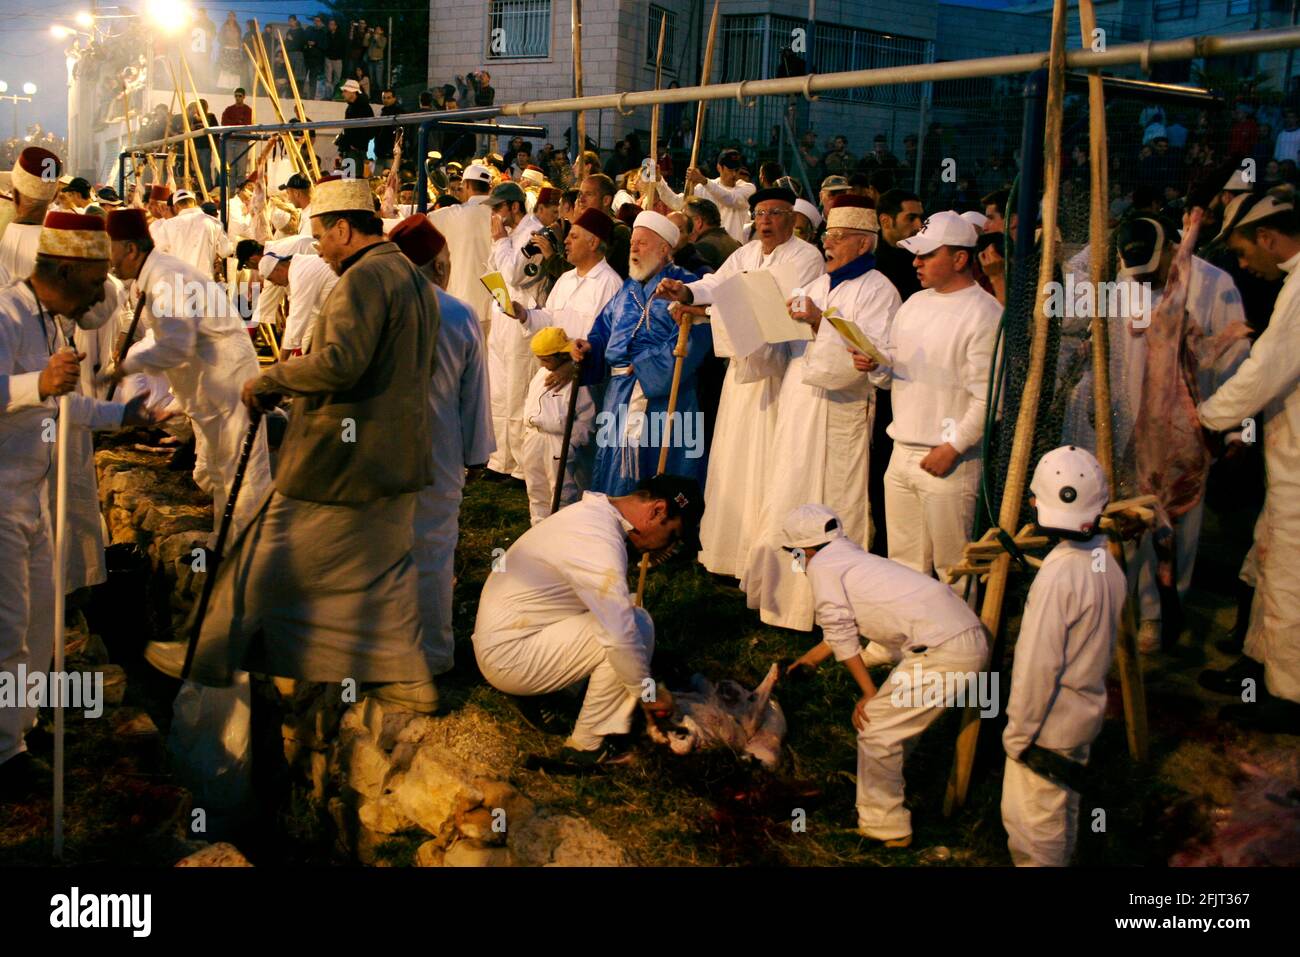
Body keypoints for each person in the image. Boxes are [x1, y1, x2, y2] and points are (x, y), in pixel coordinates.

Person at [179, 179, 441, 714]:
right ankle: (410, 681)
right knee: (385, 577)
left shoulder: (364, 279)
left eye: (320, 235)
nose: (317, 247)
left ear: (344, 228)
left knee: (264, 552)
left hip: (341, 464)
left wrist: (272, 380)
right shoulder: (410, 278)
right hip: (396, 461)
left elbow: (341, 363)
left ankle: (205, 655)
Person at [0, 214, 168, 799]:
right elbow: (38, 392)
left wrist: (125, 418)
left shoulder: (54, 322)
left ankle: (21, 727)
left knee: (41, 622)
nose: (105, 290)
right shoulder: (6, 315)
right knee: (7, 627)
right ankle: (5, 757)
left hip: (33, 496)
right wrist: (34, 385)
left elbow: (67, 406)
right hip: (0, 494)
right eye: (98, 276)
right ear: (68, 269)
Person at [780, 504, 988, 846]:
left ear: (805, 550)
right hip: (958, 640)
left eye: (794, 556)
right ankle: (880, 784)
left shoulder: (822, 568)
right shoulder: (855, 559)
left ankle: (886, 828)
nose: (796, 563)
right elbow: (875, 627)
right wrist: (812, 659)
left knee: (876, 727)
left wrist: (867, 691)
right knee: (892, 726)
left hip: (944, 651)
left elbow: (840, 628)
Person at [740, 195, 901, 630]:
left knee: (832, 503)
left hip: (837, 413)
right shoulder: (816, 286)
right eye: (827, 235)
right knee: (788, 490)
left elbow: (870, 358)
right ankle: (782, 597)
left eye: (839, 237)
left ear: (864, 244)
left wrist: (817, 325)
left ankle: (826, 607)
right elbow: (789, 348)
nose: (828, 244)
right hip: (798, 406)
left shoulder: (880, 291)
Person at [472, 475, 702, 766]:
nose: (665, 549)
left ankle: (555, 693)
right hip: (510, 655)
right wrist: (649, 694)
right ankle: (586, 747)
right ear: (656, 511)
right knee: (635, 627)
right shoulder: (598, 540)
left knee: (625, 611)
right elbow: (619, 635)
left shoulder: (592, 517)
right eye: (671, 536)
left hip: (512, 637)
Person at [655, 186, 825, 578]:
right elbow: (720, 284)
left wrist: (717, 310)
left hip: (779, 369)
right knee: (733, 454)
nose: (765, 220)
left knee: (765, 458)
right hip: (741, 369)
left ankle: (758, 556)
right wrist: (688, 290)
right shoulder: (746, 253)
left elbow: (782, 306)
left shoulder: (806, 257)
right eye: (760, 213)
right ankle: (724, 552)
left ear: (792, 219)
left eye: (775, 213)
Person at [104, 207, 271, 544]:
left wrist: (123, 369)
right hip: (211, 377)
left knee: (241, 466)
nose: (108, 259)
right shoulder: (157, 276)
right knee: (219, 466)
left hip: (227, 376)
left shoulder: (166, 280)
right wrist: (180, 404)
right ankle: (226, 541)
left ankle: (250, 551)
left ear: (132, 250)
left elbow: (176, 346)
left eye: (110, 249)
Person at [1196, 193, 1300, 733]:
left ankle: (1289, 693)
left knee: (1287, 573)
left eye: (1241, 252)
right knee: (1266, 558)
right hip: (1286, 461)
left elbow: (1265, 370)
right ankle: (1259, 667)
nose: (1241, 265)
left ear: (1266, 237)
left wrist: (1207, 418)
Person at [1002, 446, 1126, 866]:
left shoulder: (1058, 575)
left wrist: (1018, 734)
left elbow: (1038, 667)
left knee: (1033, 829)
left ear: (1037, 504)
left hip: (1046, 728)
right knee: (1063, 811)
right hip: (1082, 717)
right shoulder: (1106, 563)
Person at [387, 214, 493, 677]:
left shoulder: (375, 307)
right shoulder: (458, 313)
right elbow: (474, 397)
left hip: (378, 453)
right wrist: (476, 457)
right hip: (440, 452)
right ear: (436, 265)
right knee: (432, 552)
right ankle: (431, 656)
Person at [871, 211, 999, 589]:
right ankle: (912, 640)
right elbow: (892, 372)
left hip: (950, 460)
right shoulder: (913, 304)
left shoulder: (985, 313)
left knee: (954, 568)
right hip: (902, 450)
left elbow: (990, 396)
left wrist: (954, 447)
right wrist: (874, 365)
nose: (916, 262)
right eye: (916, 254)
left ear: (960, 259)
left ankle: (961, 646)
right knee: (903, 563)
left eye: (927, 255)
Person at [573, 211, 713, 494]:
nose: (633, 249)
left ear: (664, 249)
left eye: (642, 243)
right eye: (632, 243)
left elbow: (697, 335)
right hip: (620, 395)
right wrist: (591, 346)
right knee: (615, 462)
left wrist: (646, 367)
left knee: (660, 464)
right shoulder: (626, 289)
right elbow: (603, 330)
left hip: (664, 397)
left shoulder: (685, 285)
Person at [484, 181, 546, 482]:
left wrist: (499, 242)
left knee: (518, 391)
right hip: (501, 315)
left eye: (498, 208)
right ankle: (500, 459)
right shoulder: (509, 237)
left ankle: (522, 466)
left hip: (523, 320)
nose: (495, 214)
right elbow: (493, 270)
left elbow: (514, 274)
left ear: (515, 207)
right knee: (499, 391)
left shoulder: (534, 235)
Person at [520, 327, 595, 523]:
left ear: (561, 356)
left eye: (546, 359)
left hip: (558, 440)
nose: (542, 364)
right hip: (535, 437)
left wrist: (571, 444)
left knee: (561, 490)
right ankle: (537, 527)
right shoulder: (540, 375)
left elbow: (587, 419)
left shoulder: (578, 381)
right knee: (536, 486)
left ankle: (558, 530)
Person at [656, 148, 755, 244]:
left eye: (736, 170)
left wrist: (703, 181)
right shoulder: (703, 188)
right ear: (719, 168)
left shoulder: (747, 188)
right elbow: (676, 203)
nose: (734, 174)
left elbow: (731, 200)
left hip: (734, 249)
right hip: (709, 248)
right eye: (730, 170)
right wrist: (659, 180)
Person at [151, 188, 234, 276]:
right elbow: (226, 250)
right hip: (205, 280)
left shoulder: (167, 225)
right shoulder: (213, 222)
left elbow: (156, 252)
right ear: (194, 203)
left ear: (176, 207)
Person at [576, 174, 631, 279]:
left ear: (606, 200)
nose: (581, 200)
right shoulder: (584, 227)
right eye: (580, 194)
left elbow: (597, 272)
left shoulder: (618, 231)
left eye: (588, 194)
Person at [682, 197, 739, 270]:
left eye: (685, 218)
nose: (683, 222)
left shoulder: (703, 248)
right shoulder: (734, 242)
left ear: (698, 221)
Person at [337, 79, 374, 177]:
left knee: (353, 180)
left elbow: (370, 130)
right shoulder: (351, 108)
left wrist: (356, 144)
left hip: (356, 151)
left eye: (345, 91)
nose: (343, 94)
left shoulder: (363, 108)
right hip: (351, 149)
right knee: (349, 179)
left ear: (353, 92)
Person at [323, 19, 346, 99]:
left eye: (332, 24)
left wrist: (341, 56)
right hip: (328, 58)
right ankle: (327, 95)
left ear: (336, 26)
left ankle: (335, 94)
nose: (330, 26)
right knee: (328, 78)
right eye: (329, 24)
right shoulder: (327, 34)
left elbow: (344, 47)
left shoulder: (341, 35)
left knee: (337, 78)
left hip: (337, 59)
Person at [366, 25, 388, 103]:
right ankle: (373, 98)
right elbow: (365, 44)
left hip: (379, 62)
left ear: (382, 31)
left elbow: (381, 46)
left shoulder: (383, 38)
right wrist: (367, 36)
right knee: (372, 81)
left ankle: (381, 98)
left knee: (379, 81)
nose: (376, 30)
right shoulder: (371, 38)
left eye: (378, 29)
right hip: (371, 61)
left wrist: (377, 38)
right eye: (376, 29)